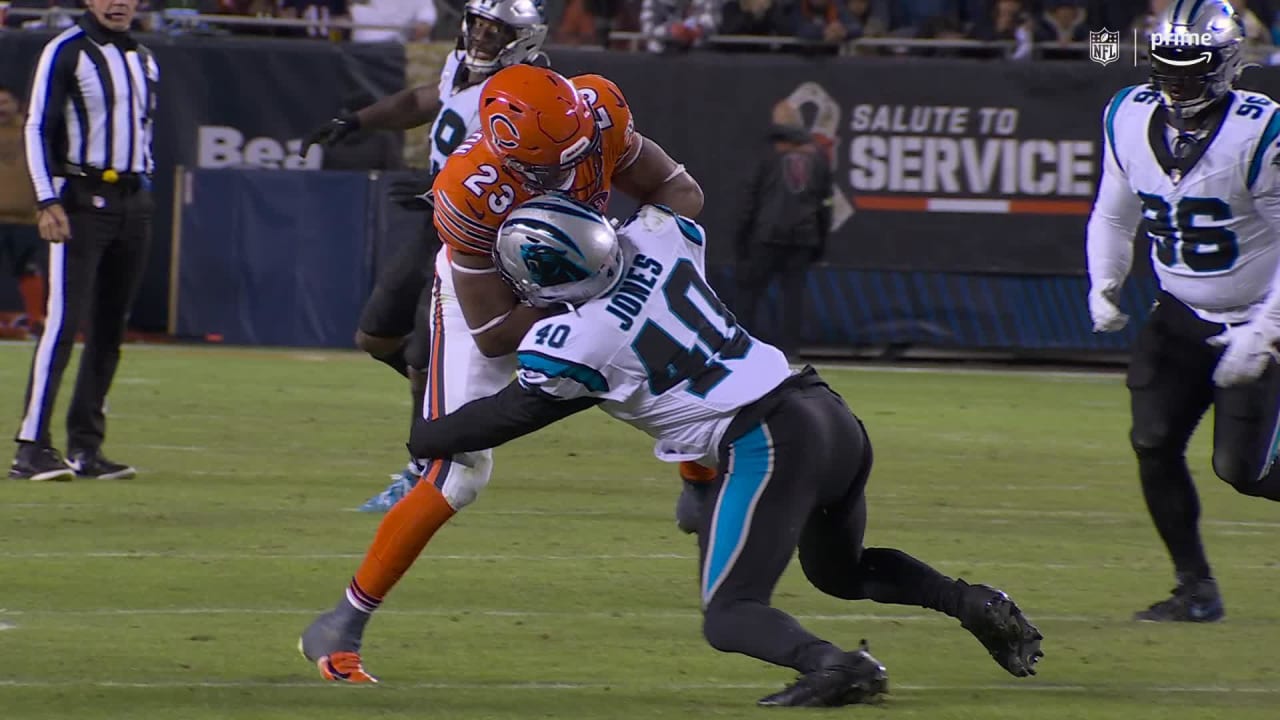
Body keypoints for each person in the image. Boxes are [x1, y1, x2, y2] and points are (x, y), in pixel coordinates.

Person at [302, 196, 1045, 700]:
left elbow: (502, 417)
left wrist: (424, 432)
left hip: (766, 439)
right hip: (825, 410)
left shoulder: (578, 336)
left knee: (730, 616)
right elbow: (672, 194)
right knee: (841, 571)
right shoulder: (660, 237)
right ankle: (971, 601)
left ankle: (837, 667)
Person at [297, 64, 704, 683]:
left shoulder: (598, 112)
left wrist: (640, 255)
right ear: (507, 150)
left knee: (677, 359)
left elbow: (680, 192)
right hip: (498, 301)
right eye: (550, 165)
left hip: (593, 270)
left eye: (577, 155)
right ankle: (342, 624)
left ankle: (698, 477)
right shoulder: (470, 186)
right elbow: (492, 332)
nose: (569, 174)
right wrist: (580, 300)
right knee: (457, 474)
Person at [301, 0, 549, 511]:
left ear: (523, 38)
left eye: (496, 29)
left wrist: (445, 188)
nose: (481, 37)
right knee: (376, 335)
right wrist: (356, 121)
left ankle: (426, 467)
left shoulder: (526, 89)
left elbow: (521, 165)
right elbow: (422, 101)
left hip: (477, 231)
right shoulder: (459, 64)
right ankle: (464, 400)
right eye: (478, 24)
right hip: (434, 216)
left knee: (422, 357)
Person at [1087, 0, 1280, 621]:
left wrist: (1266, 329)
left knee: (1242, 471)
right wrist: (1105, 279)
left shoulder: (1261, 132)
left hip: (1258, 315)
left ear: (1225, 66)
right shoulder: (1127, 112)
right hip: (1178, 312)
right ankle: (1195, 588)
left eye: (1190, 66)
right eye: (1164, 64)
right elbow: (1115, 210)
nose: (1174, 80)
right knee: (1152, 438)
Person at [9, 0, 157, 482]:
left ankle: (86, 448)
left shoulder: (144, 57)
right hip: (81, 198)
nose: (117, 3)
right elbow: (36, 126)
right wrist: (47, 199)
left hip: (132, 200)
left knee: (111, 328)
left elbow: (141, 131)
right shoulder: (66, 50)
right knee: (63, 323)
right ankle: (31, 447)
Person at [734, 100, 832, 359]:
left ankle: (742, 348)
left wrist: (742, 236)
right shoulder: (818, 155)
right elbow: (825, 202)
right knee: (793, 297)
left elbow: (750, 197)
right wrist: (820, 240)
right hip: (803, 235)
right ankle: (790, 350)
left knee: (749, 293)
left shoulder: (768, 152)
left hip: (767, 233)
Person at [0, 84, 46, 339]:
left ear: (16, 104)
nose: (1, 107)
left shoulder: (31, 133)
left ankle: (35, 322)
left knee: (28, 269)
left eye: (5, 101)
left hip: (26, 219)